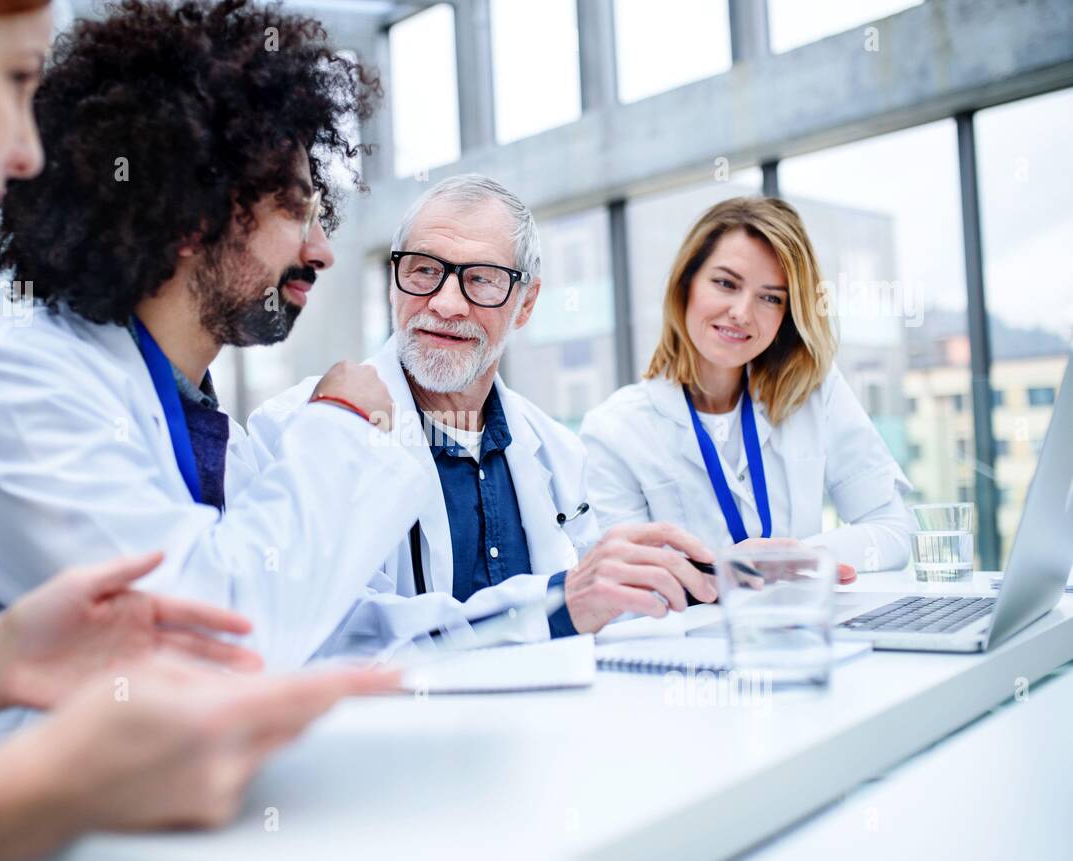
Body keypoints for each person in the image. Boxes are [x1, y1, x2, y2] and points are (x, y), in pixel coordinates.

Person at [0, 0, 391, 861]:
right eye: (13, 79)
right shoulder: (1, 381)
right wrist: (43, 794)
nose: (29, 153)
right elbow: (233, 627)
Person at [0, 0, 430, 743]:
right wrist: (339, 429)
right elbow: (220, 642)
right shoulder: (9, 389)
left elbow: (331, 624)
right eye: (294, 211)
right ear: (189, 216)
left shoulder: (197, 420)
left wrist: (553, 606)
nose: (322, 251)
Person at [249, 175, 719, 659]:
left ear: (526, 304)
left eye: (481, 279)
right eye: (423, 270)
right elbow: (332, 635)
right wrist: (554, 608)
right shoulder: (296, 430)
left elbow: (597, 610)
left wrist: (703, 577)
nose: (446, 304)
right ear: (394, 282)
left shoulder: (556, 450)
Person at [580, 197, 914, 580]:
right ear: (685, 284)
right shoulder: (614, 430)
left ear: (787, 315)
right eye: (725, 283)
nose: (742, 312)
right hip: (690, 638)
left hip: (804, 628)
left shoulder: (815, 391)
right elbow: (626, 587)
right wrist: (726, 575)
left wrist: (795, 556)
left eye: (770, 297)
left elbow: (893, 531)